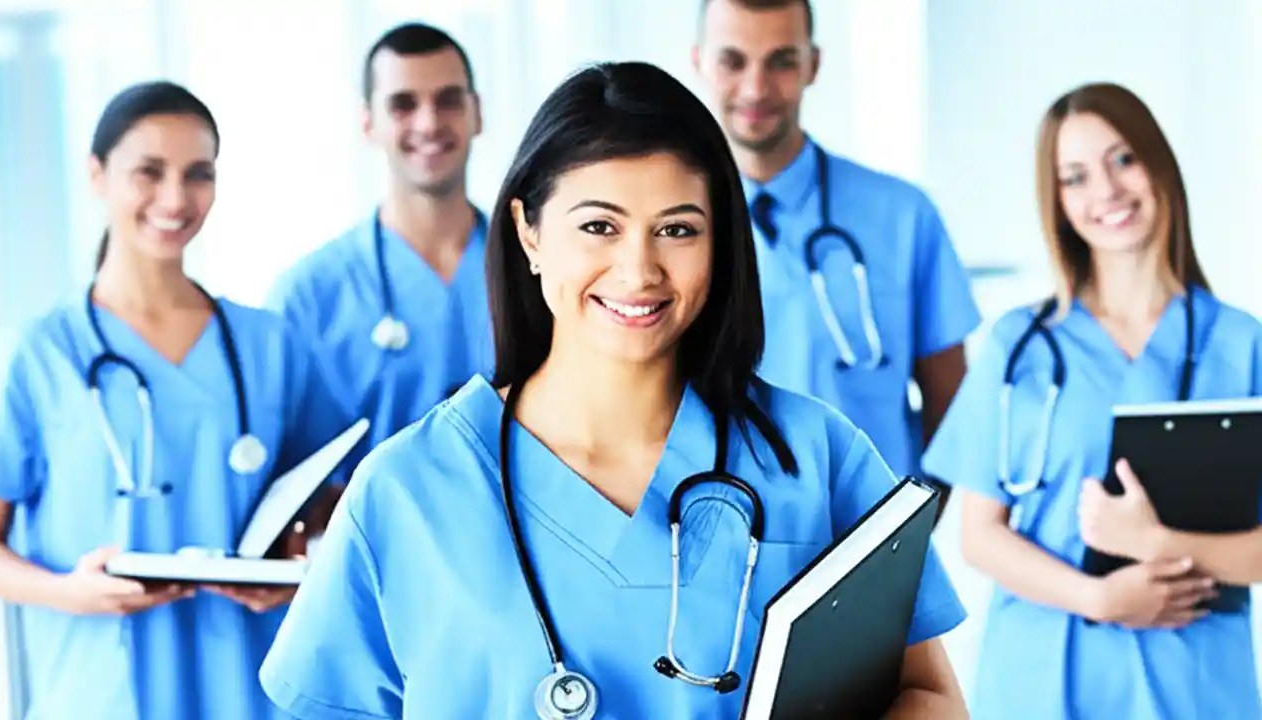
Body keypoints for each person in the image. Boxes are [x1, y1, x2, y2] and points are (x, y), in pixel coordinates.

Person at [258, 61, 968, 720]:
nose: (638, 271)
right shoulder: (406, 489)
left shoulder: (817, 458)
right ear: (528, 233)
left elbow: (930, 694)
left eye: (678, 230)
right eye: (599, 226)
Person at [0, 81, 356, 720]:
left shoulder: (268, 344)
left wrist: (299, 557)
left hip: (249, 682)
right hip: (99, 689)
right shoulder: (42, 354)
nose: (175, 198)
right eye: (148, 172)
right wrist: (70, 592)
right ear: (97, 175)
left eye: (198, 174)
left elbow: (332, 500)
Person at [921, 82, 1262, 719]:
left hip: (1190, 678)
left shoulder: (1241, 344)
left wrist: (1156, 541)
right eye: (1075, 176)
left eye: (1123, 159)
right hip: (1042, 676)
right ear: (1057, 200)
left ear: (1160, 165)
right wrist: (1099, 599)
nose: (1105, 191)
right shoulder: (1019, 343)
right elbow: (980, 537)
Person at [691, 0, 981, 507]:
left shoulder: (902, 215)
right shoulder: (666, 223)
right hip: (720, 531)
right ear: (699, 61)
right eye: (733, 61)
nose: (757, 88)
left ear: (813, 65)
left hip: (869, 529)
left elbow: (952, 410)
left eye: (782, 60)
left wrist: (908, 531)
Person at [264, 22, 491, 454]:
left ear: (476, 112)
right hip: (371, 523)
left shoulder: (538, 266)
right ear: (368, 123)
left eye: (448, 101)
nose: (429, 122)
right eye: (403, 105)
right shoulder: (309, 296)